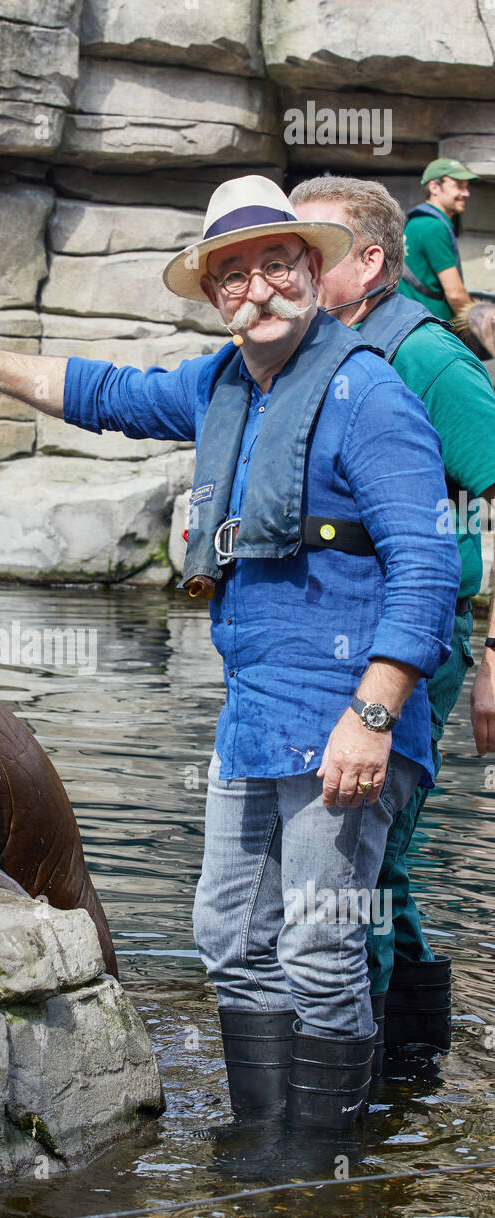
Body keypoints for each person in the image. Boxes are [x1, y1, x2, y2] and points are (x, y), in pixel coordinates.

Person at [0, 174, 460, 1135]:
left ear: (312, 272)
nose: (257, 289)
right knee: (231, 940)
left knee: (323, 948)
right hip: (253, 724)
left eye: (277, 264)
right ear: (212, 297)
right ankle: (257, 1146)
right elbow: (101, 392)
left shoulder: (371, 393)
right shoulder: (223, 387)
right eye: (231, 275)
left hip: (344, 725)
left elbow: (428, 560)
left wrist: (374, 712)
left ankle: (315, 1180)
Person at [291, 176, 495, 1062]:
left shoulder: (427, 359)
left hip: (416, 646)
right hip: (330, 638)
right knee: (373, 856)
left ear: (371, 261)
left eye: (313, 248)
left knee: (356, 860)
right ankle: (411, 1064)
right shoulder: (306, 349)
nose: (289, 265)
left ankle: (352, 1090)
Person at [397, 158, 478, 319]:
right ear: (434, 187)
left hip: (410, 321)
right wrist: (476, 325)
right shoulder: (434, 227)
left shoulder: (414, 222)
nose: (466, 193)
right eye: (458, 186)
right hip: (434, 323)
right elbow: (455, 294)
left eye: (466, 187)